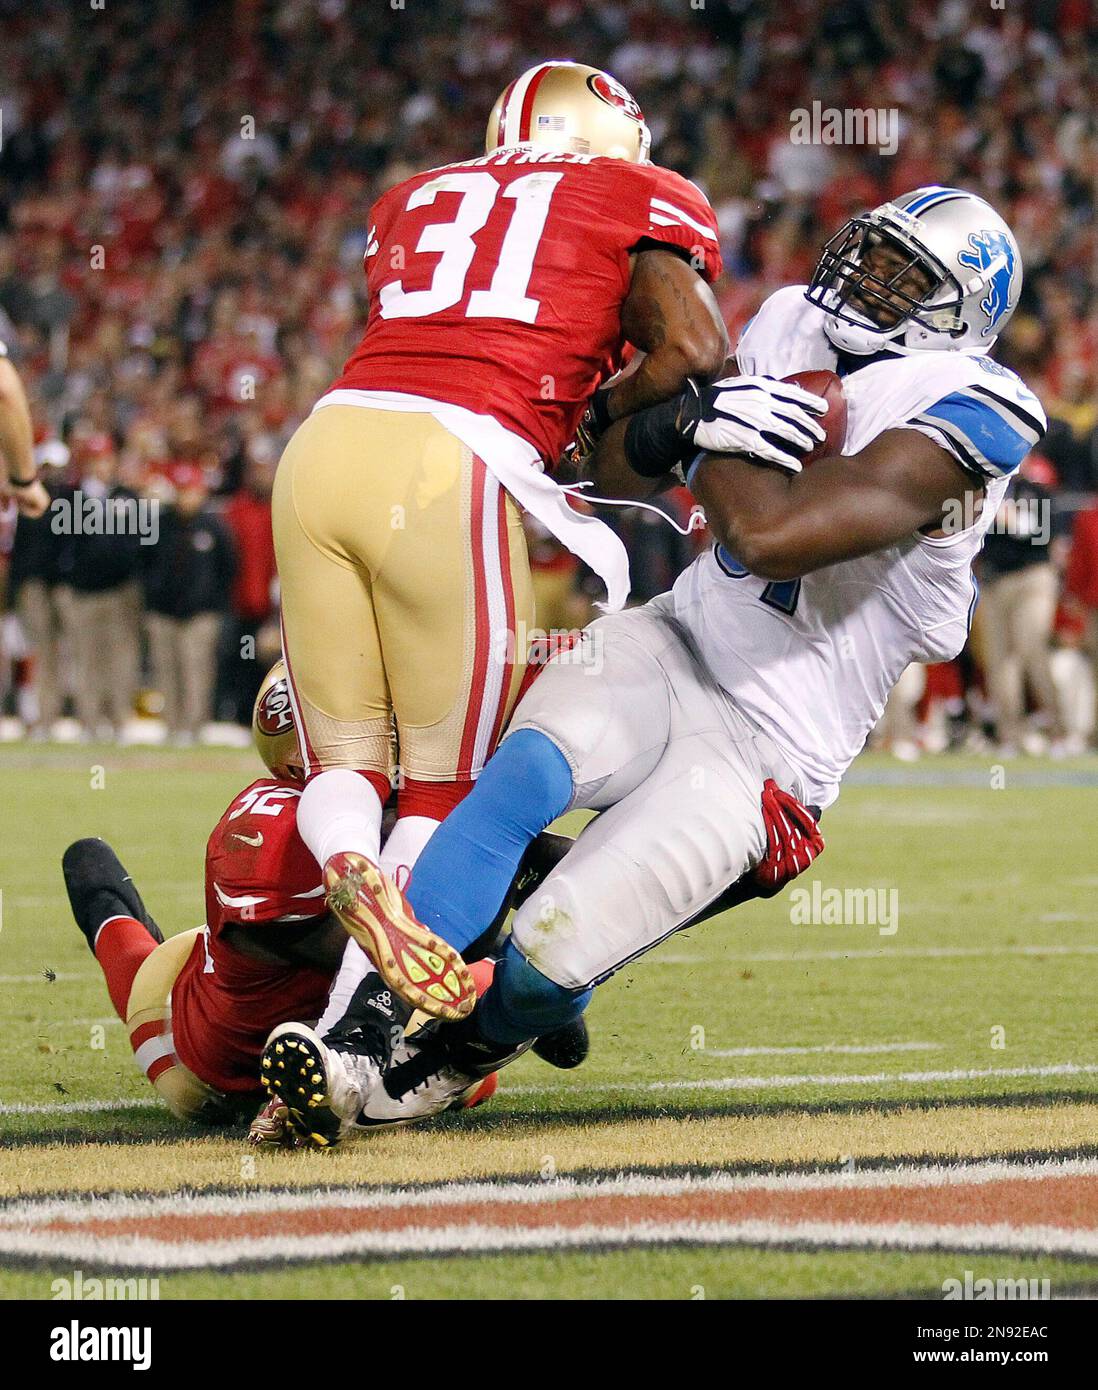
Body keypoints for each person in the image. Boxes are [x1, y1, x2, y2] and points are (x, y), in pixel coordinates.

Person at [264, 186, 1048, 1141]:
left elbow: (772, 535)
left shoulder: (976, 408)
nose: (867, 283)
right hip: (678, 637)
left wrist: (704, 413)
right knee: (519, 777)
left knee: (547, 960)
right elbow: (610, 471)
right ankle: (354, 1035)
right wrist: (683, 422)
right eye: (870, 256)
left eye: (904, 277)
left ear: (966, 313)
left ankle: (452, 1059)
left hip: (770, 753)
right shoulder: (790, 318)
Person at [270, 60, 824, 1028]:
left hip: (321, 442)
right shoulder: (641, 195)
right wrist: (599, 411)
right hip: (452, 454)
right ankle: (342, 1038)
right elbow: (695, 351)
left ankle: (347, 861)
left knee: (345, 763)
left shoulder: (414, 196)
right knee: (448, 785)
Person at [142, 464, 236, 743]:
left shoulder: (214, 527)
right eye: (182, 492)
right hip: (163, 611)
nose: (186, 498)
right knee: (166, 669)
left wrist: (215, 604)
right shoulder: (159, 524)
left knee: (196, 669)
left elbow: (228, 568)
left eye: (191, 491)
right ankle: (172, 726)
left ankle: (194, 728)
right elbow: (144, 564)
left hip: (201, 613)